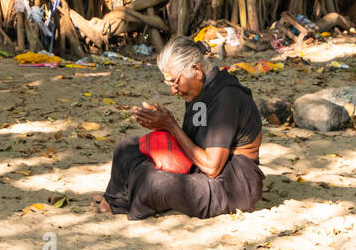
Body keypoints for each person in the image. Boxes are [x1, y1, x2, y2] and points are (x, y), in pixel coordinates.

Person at [93, 35, 264, 219]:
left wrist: (171, 126)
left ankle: (129, 201)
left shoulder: (226, 96)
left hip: (231, 185)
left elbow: (212, 167)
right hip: (202, 168)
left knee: (154, 182)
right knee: (126, 148)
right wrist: (161, 125)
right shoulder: (197, 90)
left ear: (197, 70)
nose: (173, 90)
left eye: (175, 82)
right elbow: (190, 143)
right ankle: (115, 200)